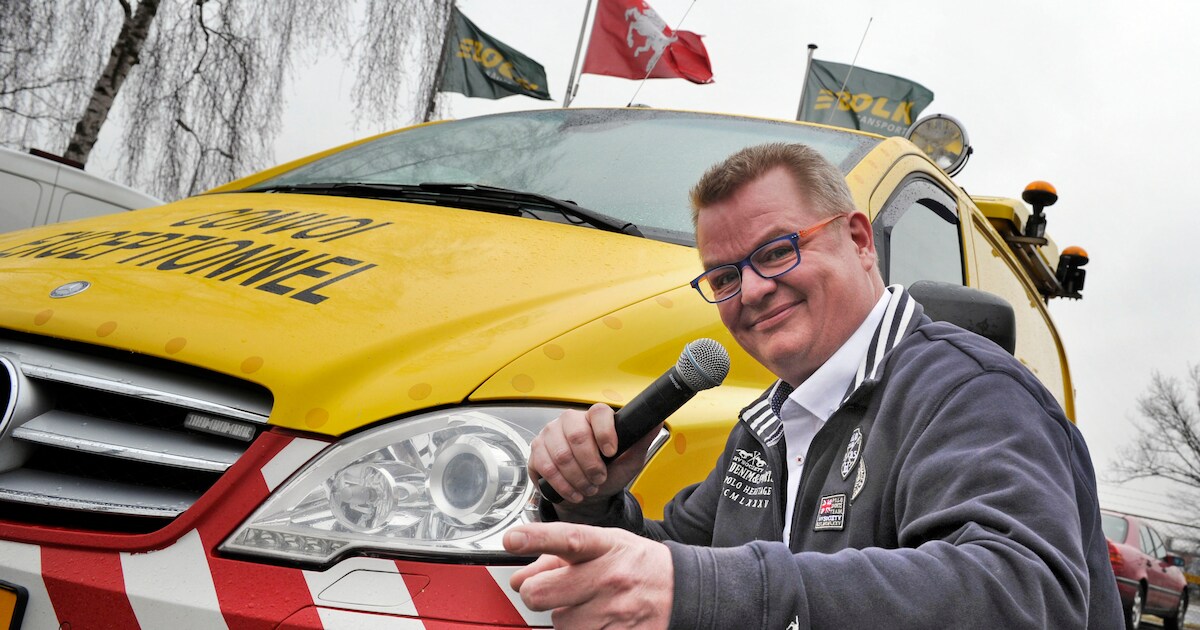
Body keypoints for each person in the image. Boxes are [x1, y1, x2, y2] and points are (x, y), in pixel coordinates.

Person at [502, 143, 1123, 629]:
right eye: (722, 277)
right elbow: (681, 564)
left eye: (776, 252)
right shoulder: (764, 429)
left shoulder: (970, 392)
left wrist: (714, 594)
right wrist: (592, 504)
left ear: (857, 240)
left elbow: (1023, 596)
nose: (750, 290)